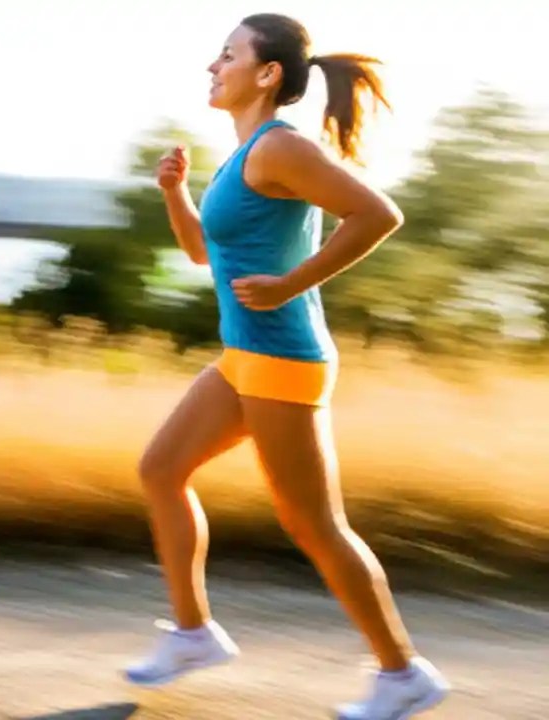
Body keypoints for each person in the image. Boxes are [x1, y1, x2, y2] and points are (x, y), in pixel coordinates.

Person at [120, 13, 450, 720]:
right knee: (160, 470)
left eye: (228, 54)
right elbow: (206, 256)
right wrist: (175, 194)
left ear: (267, 74)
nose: (213, 65)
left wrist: (291, 283)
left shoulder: (279, 149)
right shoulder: (244, 157)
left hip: (282, 358)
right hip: (246, 358)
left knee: (315, 526)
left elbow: (377, 214)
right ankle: (192, 633)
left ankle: (402, 675)